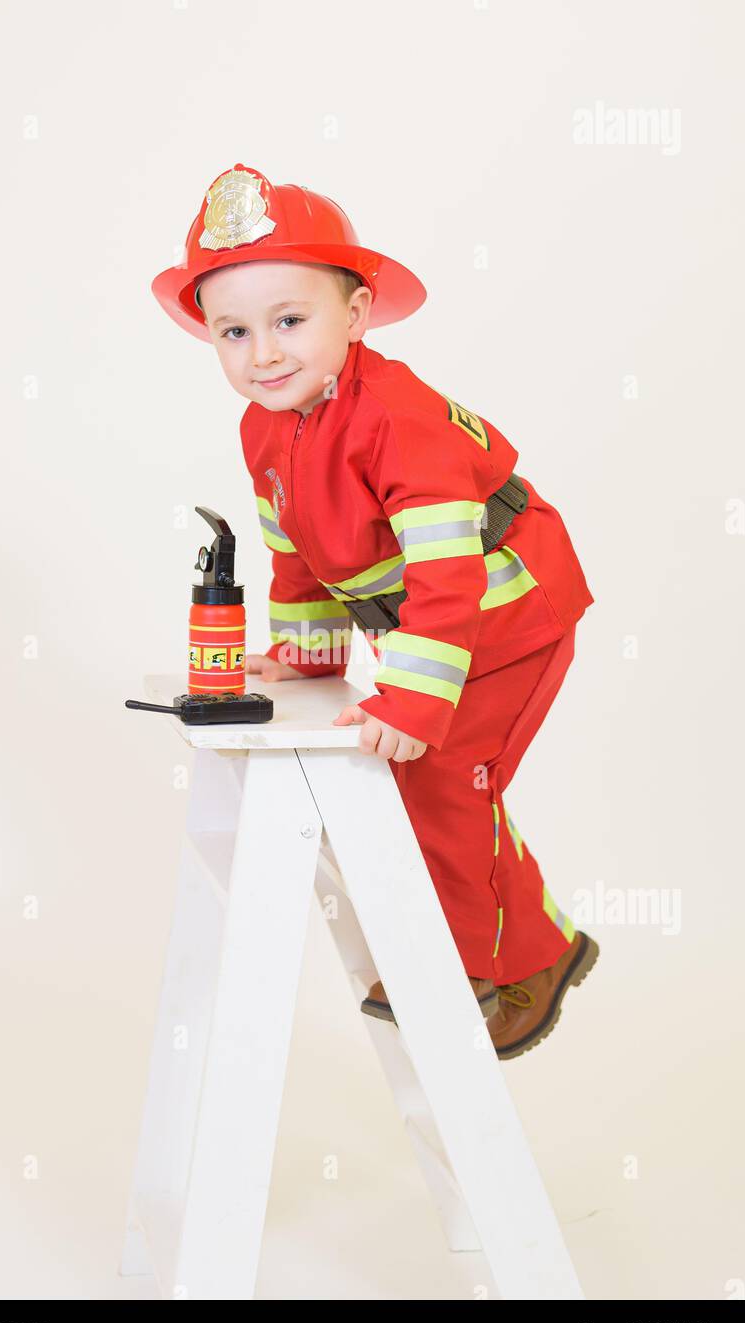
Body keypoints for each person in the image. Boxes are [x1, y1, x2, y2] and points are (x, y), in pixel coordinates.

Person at [151, 163, 600, 1060]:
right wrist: (309, 654)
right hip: (433, 624)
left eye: (289, 321)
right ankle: (477, 947)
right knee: (416, 785)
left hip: (506, 615)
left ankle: (514, 964)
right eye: (233, 331)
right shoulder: (266, 426)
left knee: (445, 778)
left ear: (354, 317)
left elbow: (444, 571)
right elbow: (297, 552)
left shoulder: (395, 419)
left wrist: (416, 699)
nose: (263, 353)